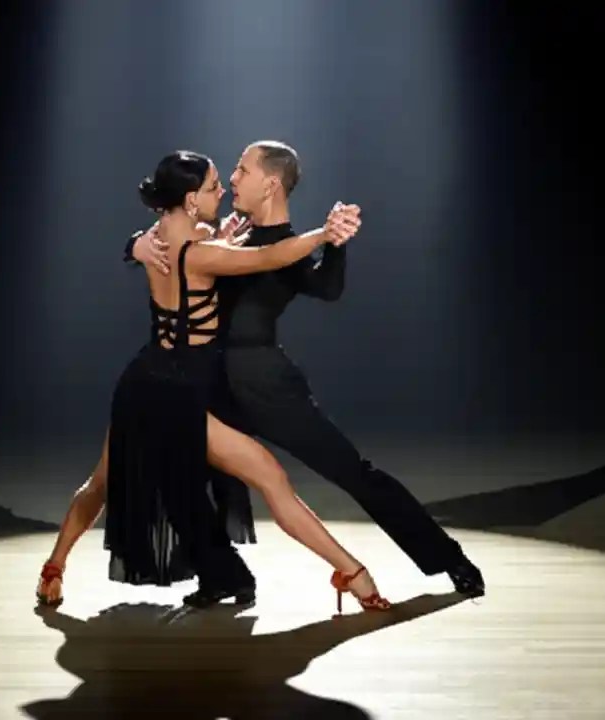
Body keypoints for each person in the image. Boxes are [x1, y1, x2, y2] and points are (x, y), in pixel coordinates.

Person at [126, 141, 486, 598]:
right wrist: (135, 245)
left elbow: (326, 287)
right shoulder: (227, 232)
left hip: (265, 387)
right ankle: (222, 575)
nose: (233, 179)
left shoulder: (285, 246)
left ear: (270, 183)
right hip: (212, 381)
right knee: (177, 469)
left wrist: (334, 244)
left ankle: (449, 558)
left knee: (354, 473)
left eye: (241, 169)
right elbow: (170, 237)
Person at [36, 151, 390, 615]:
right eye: (213, 186)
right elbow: (269, 255)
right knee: (271, 477)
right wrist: (324, 235)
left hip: (146, 383)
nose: (222, 191)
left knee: (101, 482)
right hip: (173, 394)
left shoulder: (161, 239)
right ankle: (353, 573)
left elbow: (147, 241)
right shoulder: (200, 254)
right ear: (189, 198)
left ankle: (53, 569)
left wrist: (137, 245)